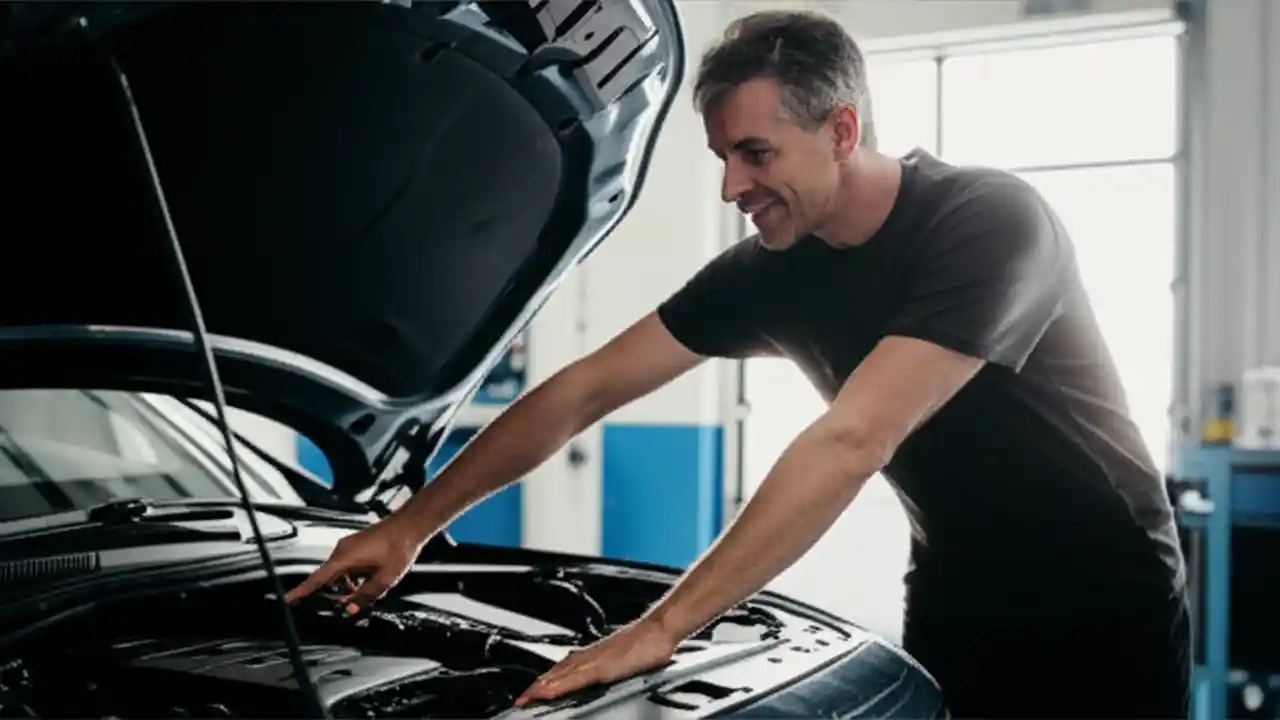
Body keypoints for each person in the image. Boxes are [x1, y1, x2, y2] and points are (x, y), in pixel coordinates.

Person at [285, 10, 1190, 718]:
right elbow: (583, 388)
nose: (731, 187)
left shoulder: (988, 222)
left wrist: (666, 628)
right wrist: (410, 525)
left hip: (1101, 593)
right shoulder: (770, 270)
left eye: (756, 152)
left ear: (840, 129)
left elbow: (854, 437)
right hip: (958, 583)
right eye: (721, 156)